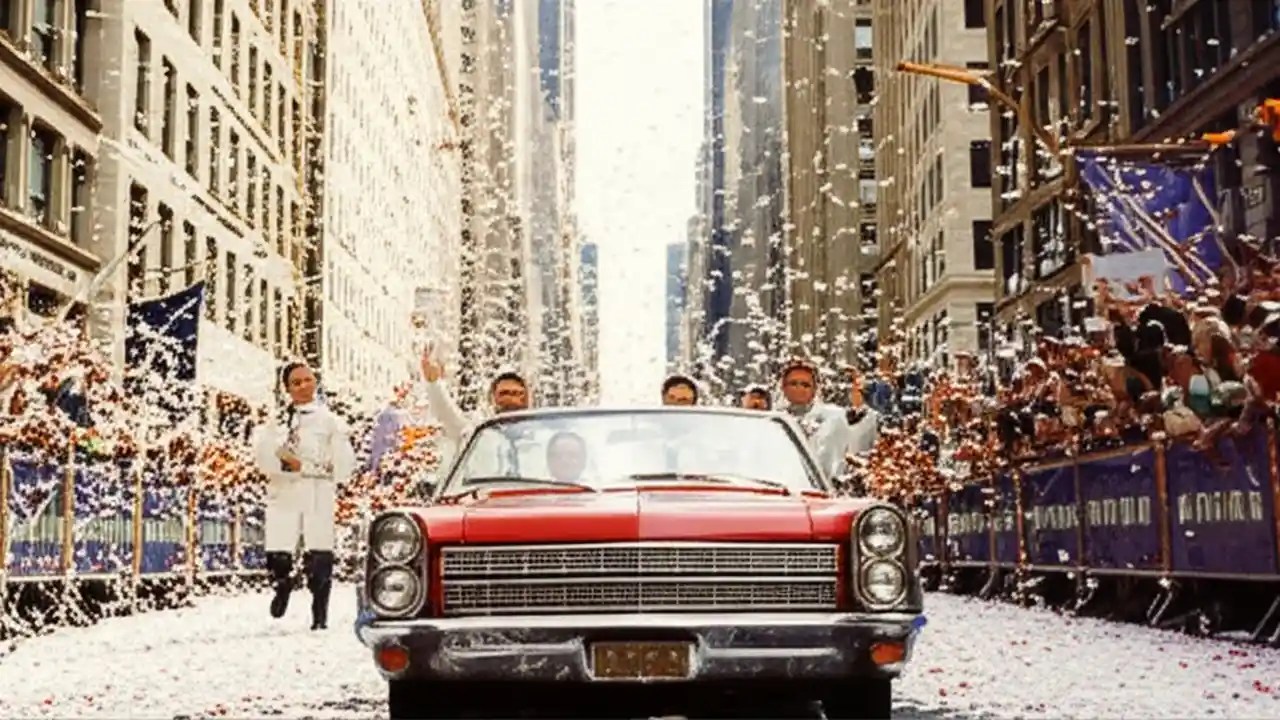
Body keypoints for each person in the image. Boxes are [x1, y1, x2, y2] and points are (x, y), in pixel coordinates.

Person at [252, 362, 356, 630]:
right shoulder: (276, 421)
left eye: (307, 380)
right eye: (296, 383)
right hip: (283, 492)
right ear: (286, 388)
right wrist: (284, 464)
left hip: (317, 492)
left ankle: (319, 612)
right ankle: (282, 585)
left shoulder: (330, 422)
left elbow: (343, 466)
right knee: (278, 552)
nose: (303, 386)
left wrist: (307, 468)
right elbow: (264, 457)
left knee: (320, 553)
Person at [420, 346, 529, 444]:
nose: (510, 398)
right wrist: (433, 382)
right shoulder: (478, 436)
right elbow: (447, 415)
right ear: (493, 398)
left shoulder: (542, 438)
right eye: (504, 393)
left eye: (516, 393)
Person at [778, 359, 850, 479]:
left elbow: (834, 460)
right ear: (783, 387)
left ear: (815, 389)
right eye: (793, 383)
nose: (799, 389)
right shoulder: (775, 418)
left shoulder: (832, 418)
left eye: (805, 385)